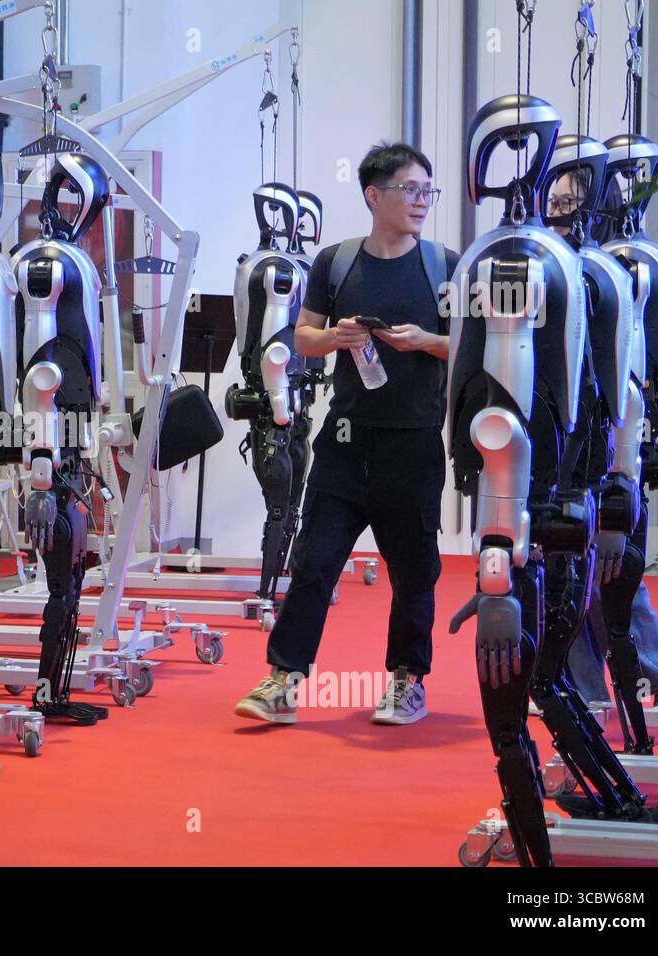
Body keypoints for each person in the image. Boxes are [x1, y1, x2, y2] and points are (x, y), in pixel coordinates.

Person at [234, 142, 458, 726]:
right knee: (314, 561)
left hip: (414, 442)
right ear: (373, 196)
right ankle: (285, 680)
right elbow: (300, 338)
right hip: (345, 442)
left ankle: (408, 682)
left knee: (415, 571)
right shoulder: (335, 262)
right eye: (410, 189)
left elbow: (474, 348)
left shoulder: (444, 265)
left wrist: (424, 342)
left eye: (427, 191)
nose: (421, 201)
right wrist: (337, 336)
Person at [542, 169, 658, 712]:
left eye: (567, 201)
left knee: (608, 569)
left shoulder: (623, 271)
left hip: (613, 442)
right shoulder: (550, 265)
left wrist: (626, 464)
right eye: (552, 198)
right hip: (557, 439)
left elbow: (638, 374)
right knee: (561, 567)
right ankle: (585, 694)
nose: (556, 209)